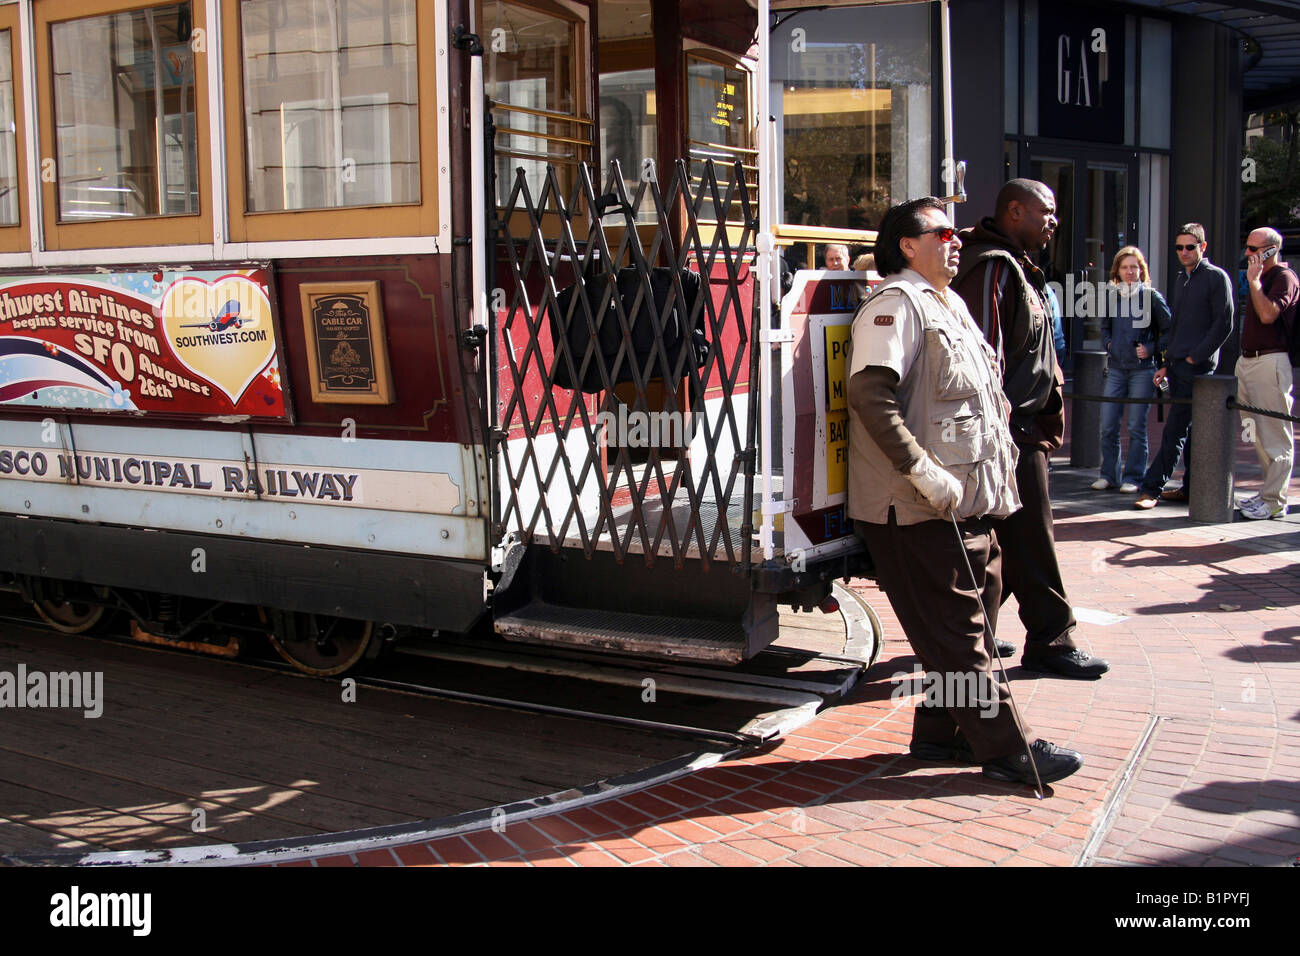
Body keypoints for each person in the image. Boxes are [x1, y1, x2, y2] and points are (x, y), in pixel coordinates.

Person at [846, 196, 1082, 786]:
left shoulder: (946, 303)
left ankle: (941, 734)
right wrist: (920, 469)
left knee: (970, 613)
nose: (956, 242)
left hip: (966, 503)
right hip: (916, 506)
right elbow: (870, 396)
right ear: (907, 244)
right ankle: (1011, 751)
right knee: (960, 633)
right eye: (942, 233)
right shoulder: (896, 305)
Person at [952, 179, 1108, 679]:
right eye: (1047, 212)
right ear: (1014, 211)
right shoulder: (993, 267)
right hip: (1008, 431)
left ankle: (976, 642)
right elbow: (983, 357)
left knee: (1002, 545)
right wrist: (997, 427)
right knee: (1029, 539)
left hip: (1015, 427)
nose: (1054, 222)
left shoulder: (1006, 264)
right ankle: (1049, 640)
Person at [1133, 224, 1234, 509]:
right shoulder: (1181, 278)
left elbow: (1224, 324)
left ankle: (1151, 488)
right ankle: (1189, 488)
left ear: (1203, 247)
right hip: (1176, 365)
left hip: (1197, 368)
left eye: (1190, 247)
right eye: (1179, 247)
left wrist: (1195, 357)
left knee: (1176, 428)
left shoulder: (1216, 278)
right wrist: (1166, 363)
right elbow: (1174, 325)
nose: (1184, 252)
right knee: (1187, 430)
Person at [1094, 246, 1171, 493]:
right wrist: (1108, 343)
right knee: (1107, 425)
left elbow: (1170, 331)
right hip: (1116, 369)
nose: (1130, 271)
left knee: (1136, 426)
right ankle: (1109, 475)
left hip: (1143, 371)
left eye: (1134, 267)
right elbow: (1104, 328)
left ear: (1141, 270)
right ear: (1118, 270)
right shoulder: (1112, 296)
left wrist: (1150, 348)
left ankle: (1134, 477)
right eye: (1125, 267)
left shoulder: (1152, 297)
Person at [1235, 226, 1297, 520]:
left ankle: (1275, 500)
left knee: (1275, 435)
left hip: (1270, 362)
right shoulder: (1259, 276)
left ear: (1271, 250)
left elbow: (1269, 314)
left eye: (1253, 249)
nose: (1247, 253)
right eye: (1247, 247)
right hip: (1248, 361)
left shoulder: (1284, 278)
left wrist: (1255, 283)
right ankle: (1268, 492)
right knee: (1257, 433)